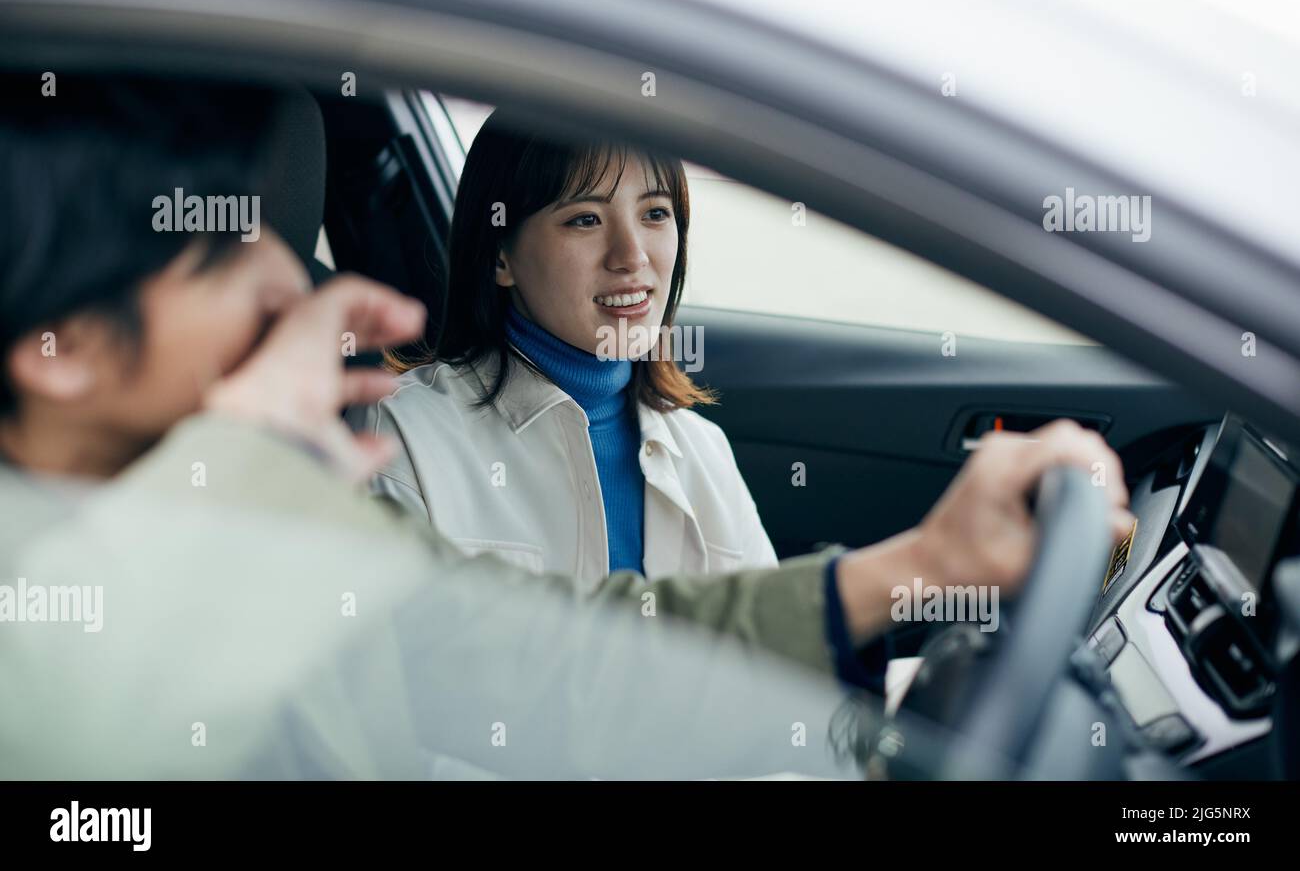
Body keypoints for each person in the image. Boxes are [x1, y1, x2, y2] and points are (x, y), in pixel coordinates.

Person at [0, 75, 1134, 778]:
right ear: (71, 350)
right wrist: (244, 456)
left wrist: (912, 573)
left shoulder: (282, 502)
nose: (293, 300)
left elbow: (545, 662)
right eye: (227, 269)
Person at [355, 110, 775, 582]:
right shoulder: (403, 437)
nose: (632, 256)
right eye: (585, 219)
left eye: (655, 213)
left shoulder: (705, 452)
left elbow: (774, 645)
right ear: (500, 256)